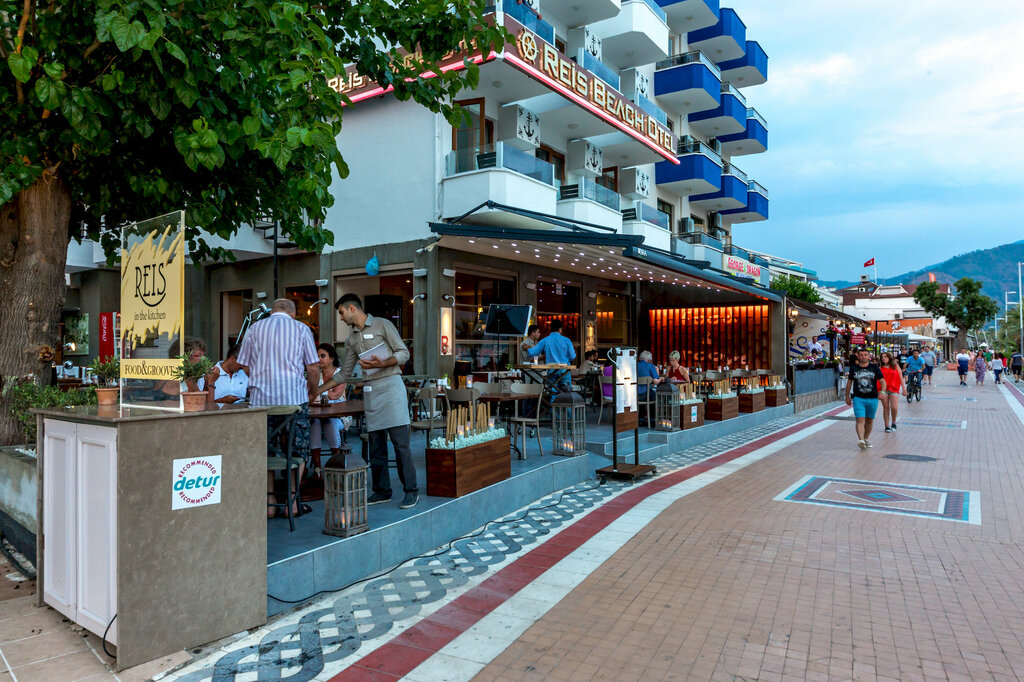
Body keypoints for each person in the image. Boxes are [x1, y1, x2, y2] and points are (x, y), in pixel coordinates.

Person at [316, 294, 419, 509]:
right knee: (376, 446)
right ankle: (382, 491)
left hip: (391, 386)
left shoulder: (383, 325)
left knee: (401, 445)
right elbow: (344, 373)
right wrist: (317, 390)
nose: (341, 318)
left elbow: (403, 353)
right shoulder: (351, 340)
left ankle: (411, 490)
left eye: (342, 313)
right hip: (371, 392)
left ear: (351, 308)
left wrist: (384, 363)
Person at [237, 298, 319, 518]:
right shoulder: (301, 329)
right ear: (293, 313)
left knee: (265, 449)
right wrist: (312, 392)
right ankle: (292, 501)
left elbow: (243, 364)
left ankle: (269, 502)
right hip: (294, 399)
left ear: (272, 312)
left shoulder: (255, 328)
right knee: (297, 449)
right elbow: (312, 368)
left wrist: (259, 378)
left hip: (260, 400)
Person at [309, 343, 350, 476]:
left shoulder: (340, 374)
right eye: (317, 356)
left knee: (330, 424)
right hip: (319, 414)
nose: (319, 359)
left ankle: (336, 464)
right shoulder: (316, 374)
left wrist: (316, 394)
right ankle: (317, 467)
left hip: (339, 415)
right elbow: (308, 392)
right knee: (314, 423)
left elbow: (336, 394)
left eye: (322, 356)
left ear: (331, 358)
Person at [845, 347, 886, 450]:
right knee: (860, 419)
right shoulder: (854, 368)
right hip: (858, 398)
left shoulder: (875, 367)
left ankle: (866, 439)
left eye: (865, 355)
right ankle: (861, 440)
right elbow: (849, 382)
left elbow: (882, 381)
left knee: (869, 420)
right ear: (858, 356)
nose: (863, 357)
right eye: (861, 355)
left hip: (872, 398)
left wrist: (883, 392)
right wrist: (847, 396)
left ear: (869, 356)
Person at [526, 320, 576, 391]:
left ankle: (553, 401)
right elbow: (572, 356)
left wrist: (528, 349)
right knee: (567, 394)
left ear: (550, 329)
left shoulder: (545, 340)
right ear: (560, 329)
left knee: (553, 393)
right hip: (564, 370)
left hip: (551, 371)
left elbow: (533, 352)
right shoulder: (567, 340)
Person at [878, 352, 903, 433]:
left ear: (889, 358)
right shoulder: (880, 368)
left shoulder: (896, 367)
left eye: (885, 357)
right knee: (886, 407)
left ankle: (894, 422)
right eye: (882, 357)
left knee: (894, 407)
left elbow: (901, 378)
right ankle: (887, 426)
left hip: (894, 388)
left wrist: (904, 389)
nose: (883, 358)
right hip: (883, 389)